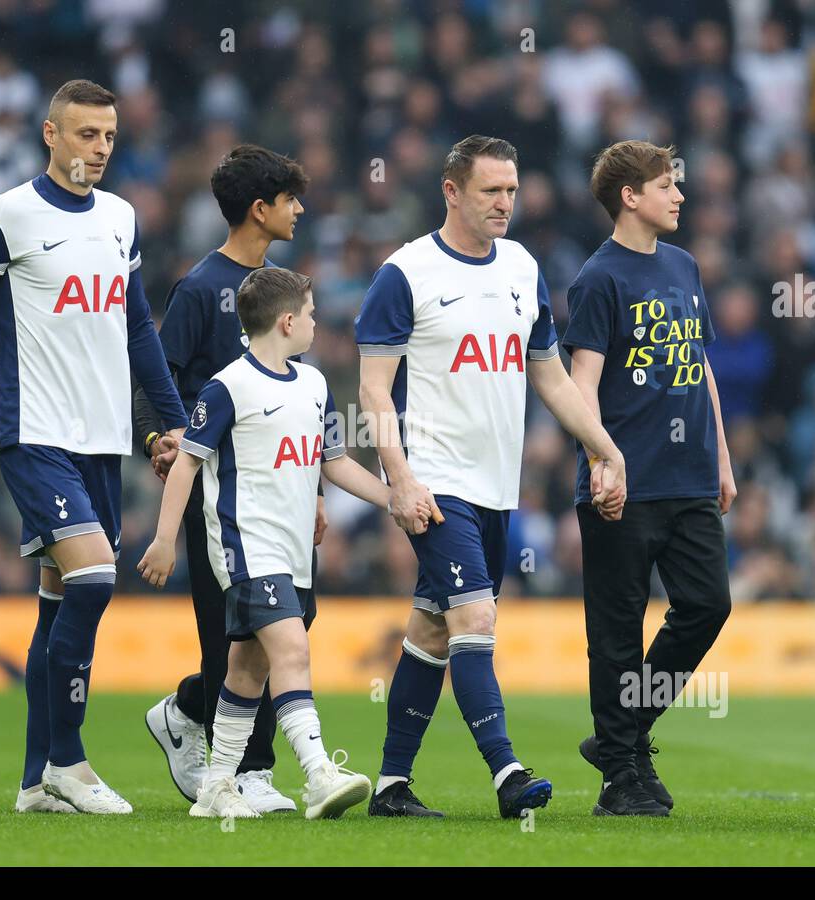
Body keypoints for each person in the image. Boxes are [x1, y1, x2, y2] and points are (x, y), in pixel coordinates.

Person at [0, 79, 187, 815]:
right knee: (94, 578)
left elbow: (139, 329)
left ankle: (31, 784)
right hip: (33, 432)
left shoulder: (121, 220)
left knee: (56, 606)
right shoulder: (5, 219)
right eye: (86, 135)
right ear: (50, 136)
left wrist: (170, 422)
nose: (101, 149)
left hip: (104, 439)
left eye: (110, 137)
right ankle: (69, 762)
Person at [356, 135, 627, 819]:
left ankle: (390, 786)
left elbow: (554, 380)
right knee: (475, 618)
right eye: (491, 191)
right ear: (452, 191)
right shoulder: (406, 273)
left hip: (497, 487)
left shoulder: (522, 268)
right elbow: (374, 392)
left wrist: (603, 448)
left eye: (512, 189)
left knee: (433, 631)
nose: (507, 202)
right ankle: (507, 772)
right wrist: (402, 480)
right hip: (437, 481)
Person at [138, 268, 412, 818]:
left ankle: (216, 787)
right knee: (292, 649)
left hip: (293, 552)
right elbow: (188, 465)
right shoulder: (227, 387)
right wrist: (166, 539)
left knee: (248, 670)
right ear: (287, 321)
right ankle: (319, 774)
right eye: (310, 313)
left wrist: (393, 497)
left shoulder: (312, 385)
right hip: (247, 548)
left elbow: (332, 464)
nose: (316, 322)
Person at [134, 145, 311, 813]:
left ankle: (185, 709)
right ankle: (250, 772)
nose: (301, 209)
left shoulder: (278, 291)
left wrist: (312, 492)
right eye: (290, 198)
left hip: (281, 493)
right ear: (259, 209)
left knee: (278, 631)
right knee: (235, 635)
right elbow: (156, 385)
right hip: (218, 498)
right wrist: (161, 438)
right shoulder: (201, 289)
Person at [564, 140, 735, 817]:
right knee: (616, 632)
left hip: (690, 476)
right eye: (668, 186)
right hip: (626, 484)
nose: (680, 196)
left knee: (707, 604)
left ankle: (625, 736)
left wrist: (721, 455)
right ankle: (620, 776)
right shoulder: (598, 278)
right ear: (630, 196)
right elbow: (582, 381)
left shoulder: (683, 265)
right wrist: (600, 463)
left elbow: (700, 365)